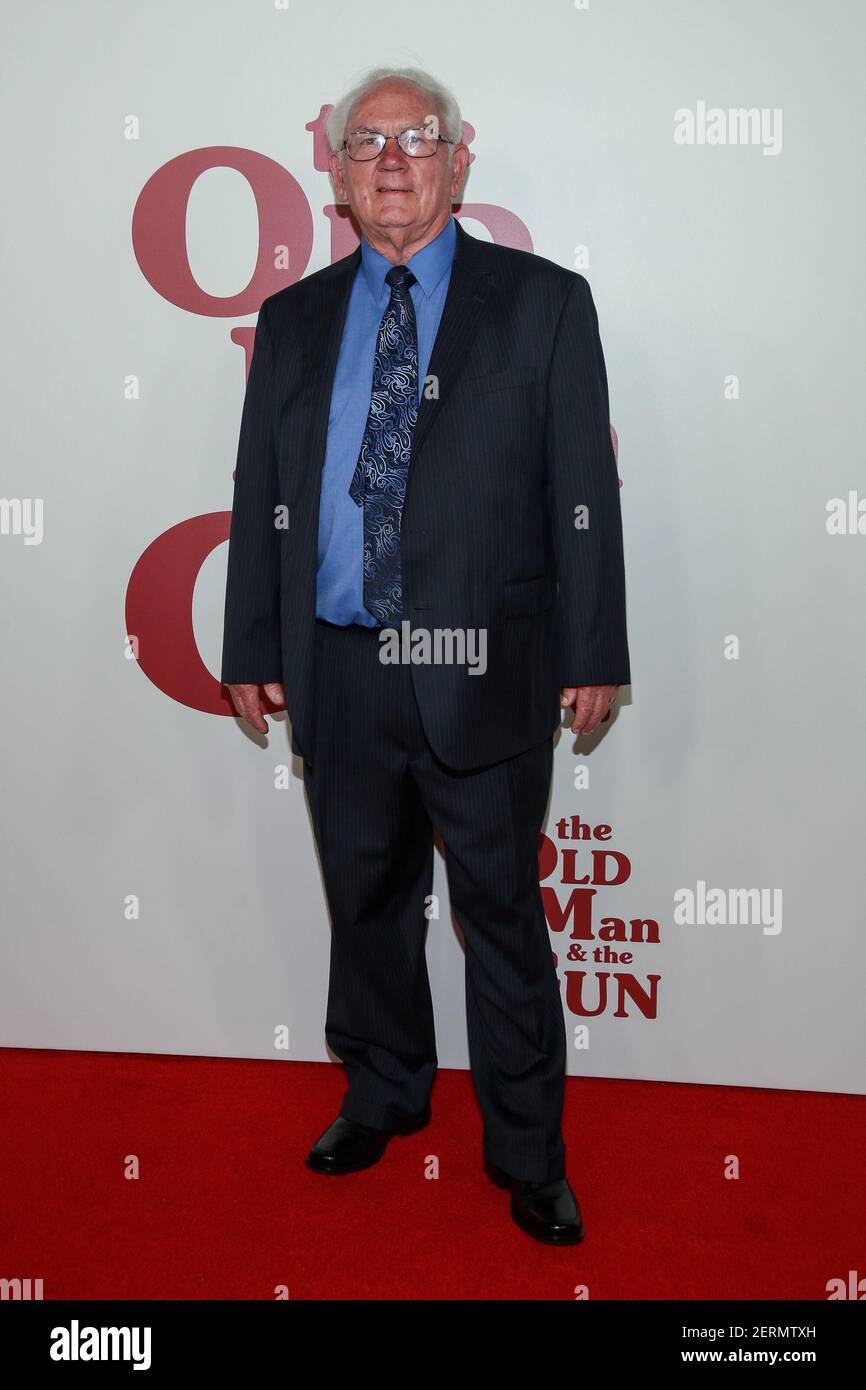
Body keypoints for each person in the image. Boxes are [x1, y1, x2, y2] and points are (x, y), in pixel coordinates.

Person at [221, 66, 630, 1245]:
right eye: (367, 142)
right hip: (339, 668)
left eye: (417, 138)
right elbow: (264, 494)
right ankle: (386, 1089)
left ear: (459, 160)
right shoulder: (296, 319)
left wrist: (594, 643)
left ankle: (526, 1152)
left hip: (485, 665)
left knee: (499, 914)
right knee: (366, 904)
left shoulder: (545, 304)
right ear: (338, 174)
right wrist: (254, 635)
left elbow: (581, 492)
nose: (392, 158)